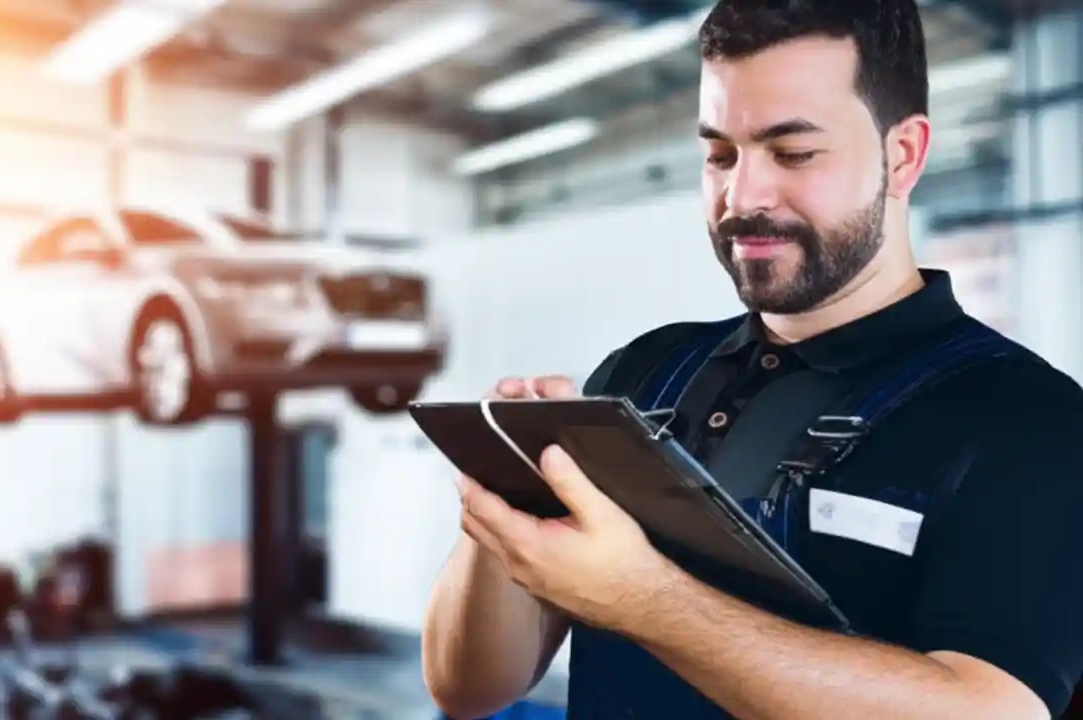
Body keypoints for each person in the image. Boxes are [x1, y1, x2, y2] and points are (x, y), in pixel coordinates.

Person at [420, 1, 1083, 719]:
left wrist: (645, 601)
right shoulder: (642, 375)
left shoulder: (1028, 421)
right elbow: (468, 687)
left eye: (792, 152)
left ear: (903, 155)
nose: (742, 196)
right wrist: (508, 491)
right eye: (719, 155)